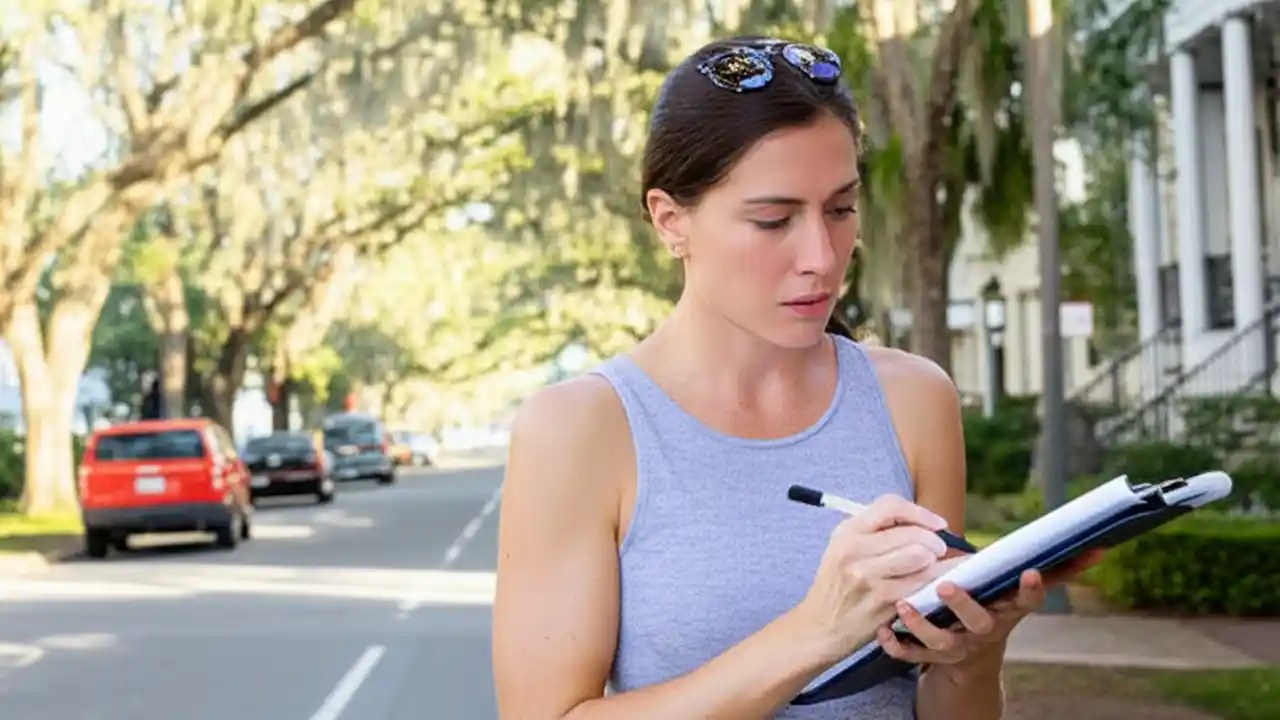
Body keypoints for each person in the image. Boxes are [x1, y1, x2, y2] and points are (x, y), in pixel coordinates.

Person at [492, 37, 1098, 719]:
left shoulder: (912, 400)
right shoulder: (581, 429)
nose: (821, 257)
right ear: (670, 222)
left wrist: (977, 648)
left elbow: (939, 700)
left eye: (841, 210)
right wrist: (816, 631)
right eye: (773, 220)